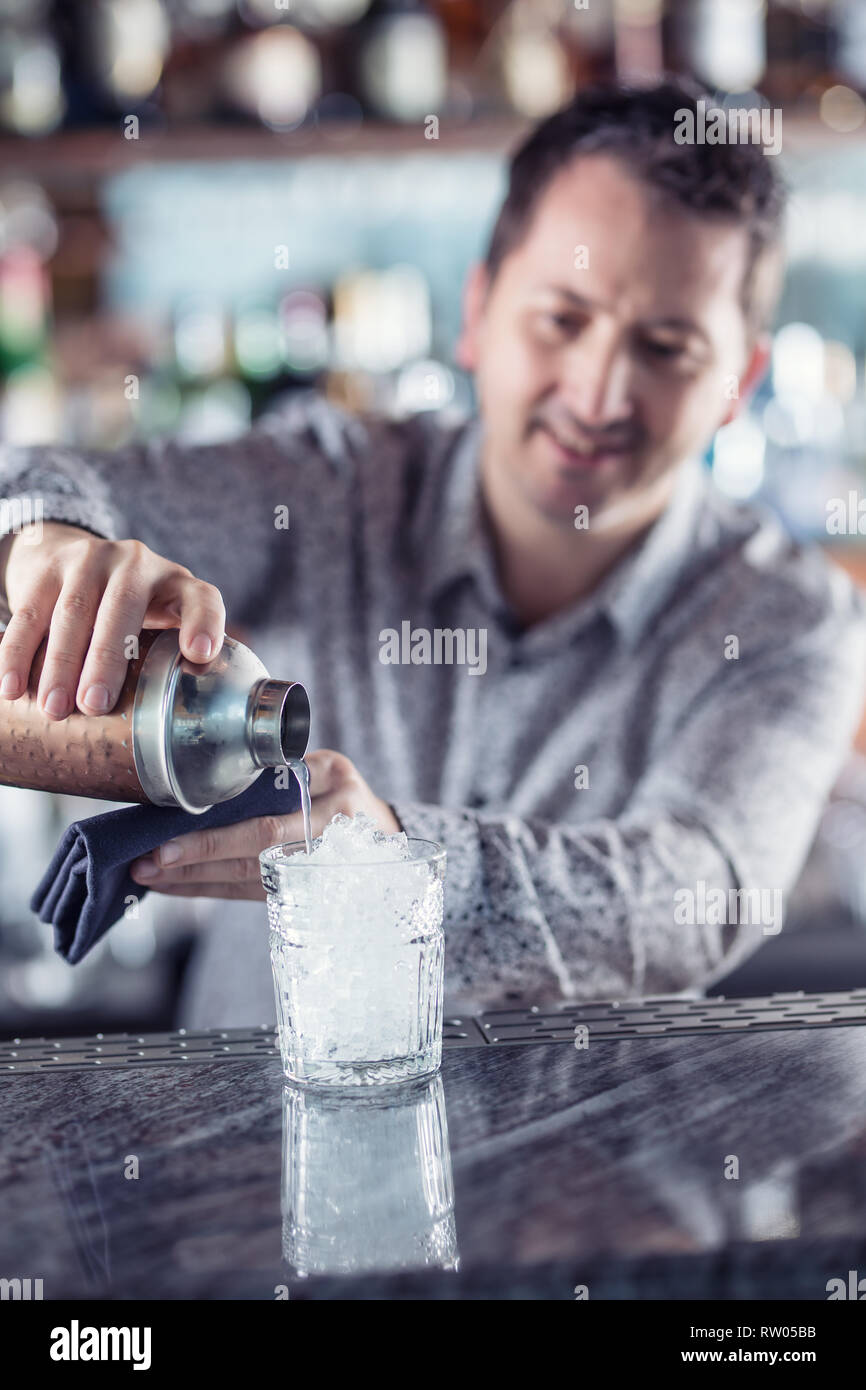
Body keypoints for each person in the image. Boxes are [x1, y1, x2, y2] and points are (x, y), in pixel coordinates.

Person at [0, 78, 864, 1024]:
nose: (601, 392)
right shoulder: (334, 486)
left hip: (584, 1167)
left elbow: (700, 893)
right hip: (247, 1148)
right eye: (562, 319)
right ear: (478, 313)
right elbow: (66, 480)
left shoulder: (790, 619)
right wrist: (48, 535)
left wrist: (396, 860)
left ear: (737, 381)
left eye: (666, 346)